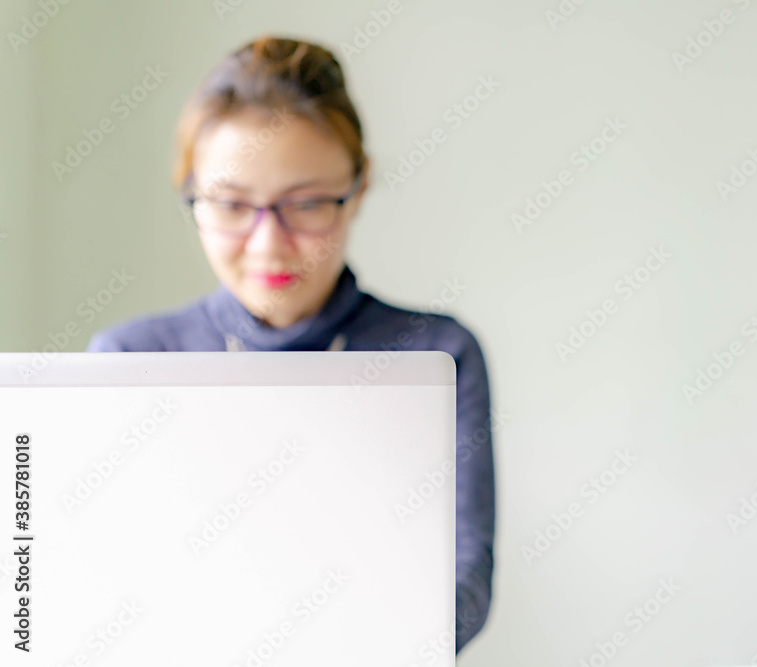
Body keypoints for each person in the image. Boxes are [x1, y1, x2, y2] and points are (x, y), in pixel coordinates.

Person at [84, 35, 495, 653]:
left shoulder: (433, 355)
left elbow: (463, 583)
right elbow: (94, 581)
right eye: (229, 204)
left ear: (358, 189)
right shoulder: (128, 361)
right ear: (190, 194)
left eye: (304, 204)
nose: (268, 244)